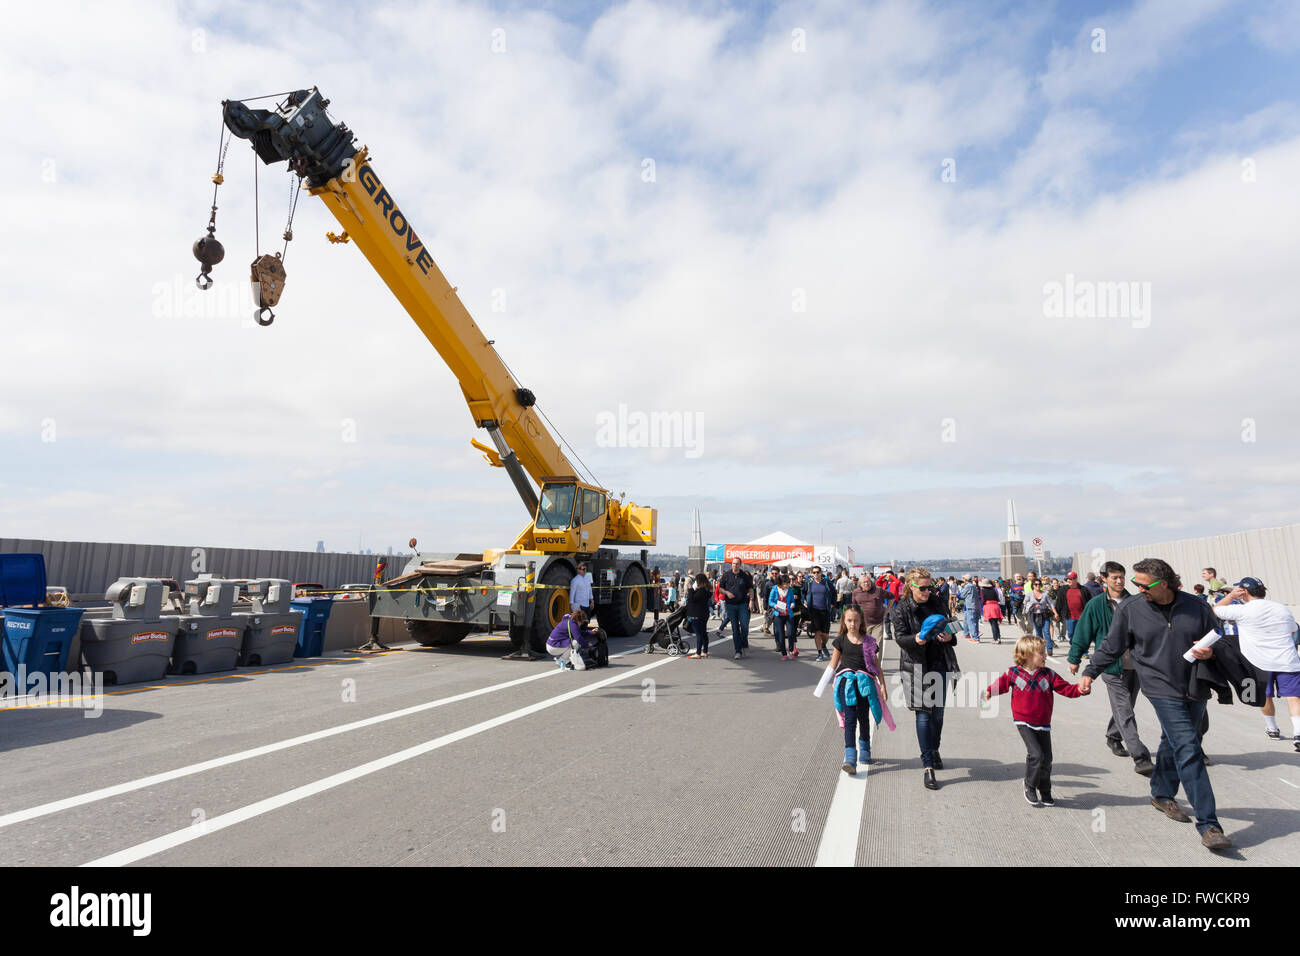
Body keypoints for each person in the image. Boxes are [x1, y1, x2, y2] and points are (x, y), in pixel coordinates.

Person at [1079, 558, 1232, 851]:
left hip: (1195, 684)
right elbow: (1112, 646)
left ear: (1164, 583)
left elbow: (1219, 639)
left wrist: (1210, 653)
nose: (1136, 588)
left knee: (1174, 741)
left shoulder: (1196, 606)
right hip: (1160, 687)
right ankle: (1209, 825)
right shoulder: (1131, 609)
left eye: (1142, 584)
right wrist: (1089, 672)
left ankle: (1161, 794)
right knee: (1188, 747)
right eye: (1135, 583)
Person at [1068, 561, 1153, 776]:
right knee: (1124, 709)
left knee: (1126, 707)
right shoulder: (1096, 605)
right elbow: (1083, 632)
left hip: (1135, 664)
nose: (1119, 581)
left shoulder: (1136, 601)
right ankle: (1140, 756)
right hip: (1110, 666)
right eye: (1114, 577)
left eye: (1122, 577)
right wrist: (1074, 657)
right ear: (1103, 579)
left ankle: (1114, 736)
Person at [984, 635, 1087, 806]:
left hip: (1043, 722)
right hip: (1023, 721)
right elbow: (1000, 685)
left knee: (1047, 759)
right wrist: (989, 692)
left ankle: (1045, 790)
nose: (1045, 655)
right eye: (1041, 653)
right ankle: (1029, 785)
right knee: (1036, 754)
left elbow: (1066, 689)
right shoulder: (1014, 673)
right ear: (1027, 655)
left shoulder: (1049, 675)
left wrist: (1080, 689)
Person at [1212, 576, 1300, 752]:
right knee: (1294, 697)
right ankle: (1298, 732)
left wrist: (1230, 597)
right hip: (1287, 659)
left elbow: (1216, 610)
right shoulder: (1281, 608)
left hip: (1259, 662)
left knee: (1264, 696)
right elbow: (1293, 630)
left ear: (1244, 591)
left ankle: (1272, 728)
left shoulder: (1242, 611)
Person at [891, 567, 958, 791]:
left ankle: (935, 748)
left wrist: (950, 636)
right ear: (911, 586)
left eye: (930, 587)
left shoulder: (937, 602)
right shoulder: (901, 608)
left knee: (938, 714)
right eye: (923, 588)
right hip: (916, 667)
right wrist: (916, 639)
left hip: (939, 663)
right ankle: (927, 765)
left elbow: (951, 627)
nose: (927, 591)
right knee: (923, 714)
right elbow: (900, 638)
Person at [829, 606, 887, 774]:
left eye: (855, 620)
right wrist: (821, 686)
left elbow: (876, 666)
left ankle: (865, 750)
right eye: (849, 620)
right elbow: (833, 665)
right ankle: (850, 757)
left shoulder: (869, 641)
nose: (852, 624)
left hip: (865, 687)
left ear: (861, 621)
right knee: (850, 720)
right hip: (846, 685)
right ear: (844, 621)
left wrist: (882, 685)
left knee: (863, 718)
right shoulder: (840, 640)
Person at [718, 557, 753, 659]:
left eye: (737, 564)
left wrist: (751, 601)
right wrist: (727, 592)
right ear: (731, 564)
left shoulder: (744, 576)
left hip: (743, 604)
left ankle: (745, 643)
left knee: (744, 627)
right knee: (735, 629)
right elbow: (720, 588)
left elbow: (751, 589)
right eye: (733, 563)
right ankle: (738, 651)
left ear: (740, 565)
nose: (735, 565)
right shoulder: (726, 575)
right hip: (730, 605)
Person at [1053, 571, 1093, 654]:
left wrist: (1091, 614)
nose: (1068, 581)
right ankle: (1075, 648)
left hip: (1082, 617)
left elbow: (1090, 603)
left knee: (1082, 635)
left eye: (1070, 579)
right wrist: (1056, 614)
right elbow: (1059, 603)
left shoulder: (1083, 590)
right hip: (1069, 616)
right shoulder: (1063, 590)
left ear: (1075, 579)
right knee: (1071, 634)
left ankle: (1084, 652)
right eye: (1067, 579)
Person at [804, 566, 837, 661]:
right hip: (814, 610)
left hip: (825, 610)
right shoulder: (809, 583)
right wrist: (804, 601)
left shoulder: (826, 582)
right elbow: (803, 592)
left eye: (817, 572)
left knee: (825, 634)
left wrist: (832, 603)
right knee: (817, 632)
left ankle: (823, 645)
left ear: (821, 573)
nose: (816, 574)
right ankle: (819, 653)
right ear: (812, 573)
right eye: (814, 572)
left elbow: (834, 592)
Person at [768, 574, 800, 659]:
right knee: (781, 635)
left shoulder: (789, 590)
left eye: (788, 583)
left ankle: (791, 651)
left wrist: (792, 604)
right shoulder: (775, 589)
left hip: (788, 614)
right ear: (780, 583)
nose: (787, 585)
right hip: (778, 614)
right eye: (785, 583)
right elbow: (770, 601)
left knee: (790, 633)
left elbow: (793, 601)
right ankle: (784, 653)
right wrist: (774, 605)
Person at [851, 573, 886, 648]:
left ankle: (875, 659)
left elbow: (890, 598)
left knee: (877, 645)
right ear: (860, 584)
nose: (866, 583)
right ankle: (866, 659)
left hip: (877, 623)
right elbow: (854, 607)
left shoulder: (877, 590)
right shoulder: (855, 592)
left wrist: (886, 610)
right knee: (865, 645)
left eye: (868, 582)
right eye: (864, 582)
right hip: (863, 623)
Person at [684, 573, 712, 658]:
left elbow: (692, 599)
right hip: (704, 614)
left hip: (697, 614)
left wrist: (691, 589)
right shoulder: (706, 590)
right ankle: (705, 651)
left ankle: (698, 653)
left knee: (699, 634)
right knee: (703, 633)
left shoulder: (701, 591)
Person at [980, 578, 1004, 644]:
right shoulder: (994, 590)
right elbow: (997, 599)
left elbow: (982, 600)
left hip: (989, 606)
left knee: (993, 623)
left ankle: (995, 639)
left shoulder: (983, 591)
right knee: (995, 623)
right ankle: (998, 637)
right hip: (996, 606)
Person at [959, 574, 981, 643]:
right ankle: (976, 636)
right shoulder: (973, 585)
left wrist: (962, 588)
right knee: (975, 622)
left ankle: (975, 638)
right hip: (976, 605)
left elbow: (962, 595)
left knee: (971, 622)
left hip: (970, 605)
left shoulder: (968, 586)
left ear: (965, 579)